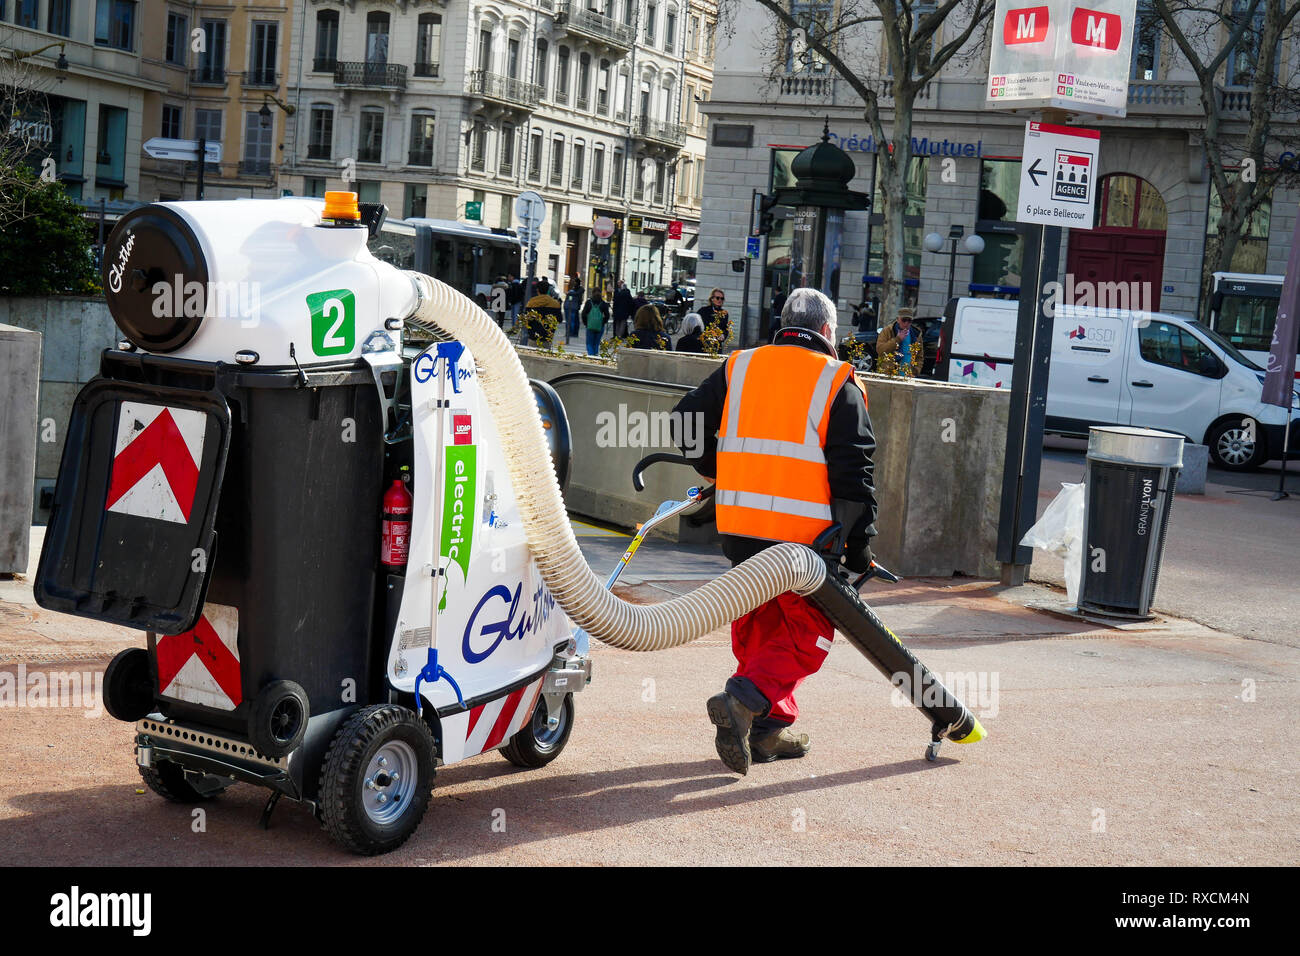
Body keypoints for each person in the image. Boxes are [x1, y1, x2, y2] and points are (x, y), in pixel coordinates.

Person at [672, 287, 877, 775]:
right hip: (802, 542)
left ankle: (765, 732)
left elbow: (684, 421)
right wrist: (858, 545)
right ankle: (744, 700)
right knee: (810, 635)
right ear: (828, 332)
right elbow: (854, 474)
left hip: (741, 529)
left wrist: (712, 471)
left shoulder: (741, 365)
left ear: (783, 321)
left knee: (761, 623)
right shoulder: (838, 380)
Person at [876, 305, 921, 373]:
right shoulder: (888, 330)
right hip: (890, 372)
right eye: (904, 320)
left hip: (908, 374)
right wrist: (897, 339)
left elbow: (919, 355)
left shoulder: (916, 334)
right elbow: (880, 350)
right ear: (897, 320)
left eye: (909, 321)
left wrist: (916, 370)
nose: (906, 323)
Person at [523, 278, 563, 346]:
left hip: (533, 336)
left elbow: (526, 319)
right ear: (548, 289)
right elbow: (559, 319)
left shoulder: (532, 302)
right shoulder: (555, 304)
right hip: (547, 336)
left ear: (537, 290)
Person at [581, 288, 610, 356]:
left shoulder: (589, 302)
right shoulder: (603, 303)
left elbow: (583, 314)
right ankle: (595, 355)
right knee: (596, 343)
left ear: (592, 293)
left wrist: (586, 323)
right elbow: (607, 316)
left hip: (590, 325)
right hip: (600, 326)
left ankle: (591, 356)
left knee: (589, 343)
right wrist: (602, 323)